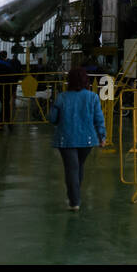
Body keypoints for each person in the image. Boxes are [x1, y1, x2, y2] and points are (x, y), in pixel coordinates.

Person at [49, 66, 107, 211]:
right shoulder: (92, 97)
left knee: (71, 169)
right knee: (79, 166)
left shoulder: (62, 97)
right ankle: (75, 194)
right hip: (87, 139)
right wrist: (102, 136)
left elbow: (52, 118)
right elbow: (99, 119)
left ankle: (74, 201)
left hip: (66, 138)